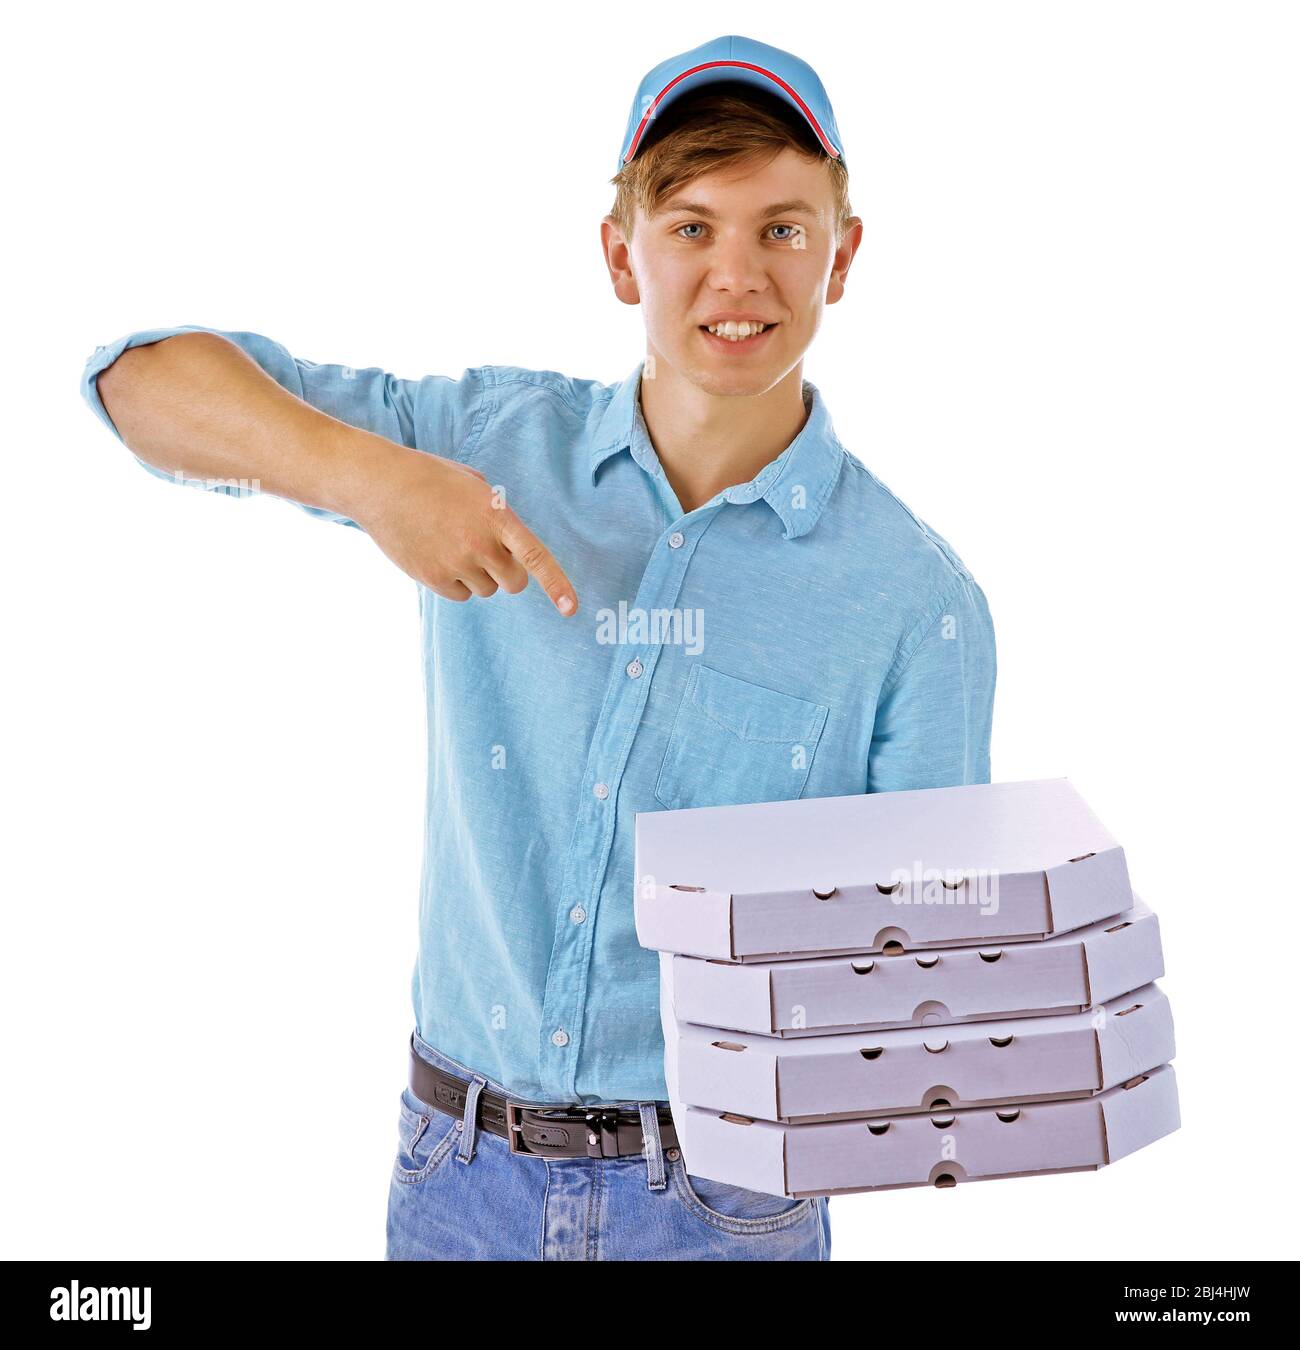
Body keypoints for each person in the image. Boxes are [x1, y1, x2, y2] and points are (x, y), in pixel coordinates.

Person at [80, 34, 995, 1261]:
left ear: (844, 255)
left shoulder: (913, 601)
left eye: (783, 229)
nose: (738, 274)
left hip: (728, 1208)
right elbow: (136, 386)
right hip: (456, 1178)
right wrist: (379, 482)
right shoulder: (479, 446)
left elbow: (918, 972)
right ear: (621, 253)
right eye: (689, 227)